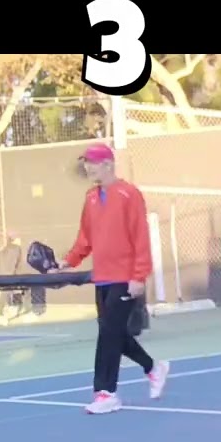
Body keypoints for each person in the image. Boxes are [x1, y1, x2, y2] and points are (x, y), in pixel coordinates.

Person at [57, 143, 170, 413]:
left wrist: (139, 275)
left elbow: (140, 237)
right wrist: (68, 261)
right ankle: (153, 367)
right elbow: (86, 238)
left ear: (108, 164)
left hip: (125, 277)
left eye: (93, 162)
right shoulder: (91, 197)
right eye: (86, 162)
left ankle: (106, 393)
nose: (88, 167)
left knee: (108, 335)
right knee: (113, 333)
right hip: (103, 278)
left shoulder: (129, 194)